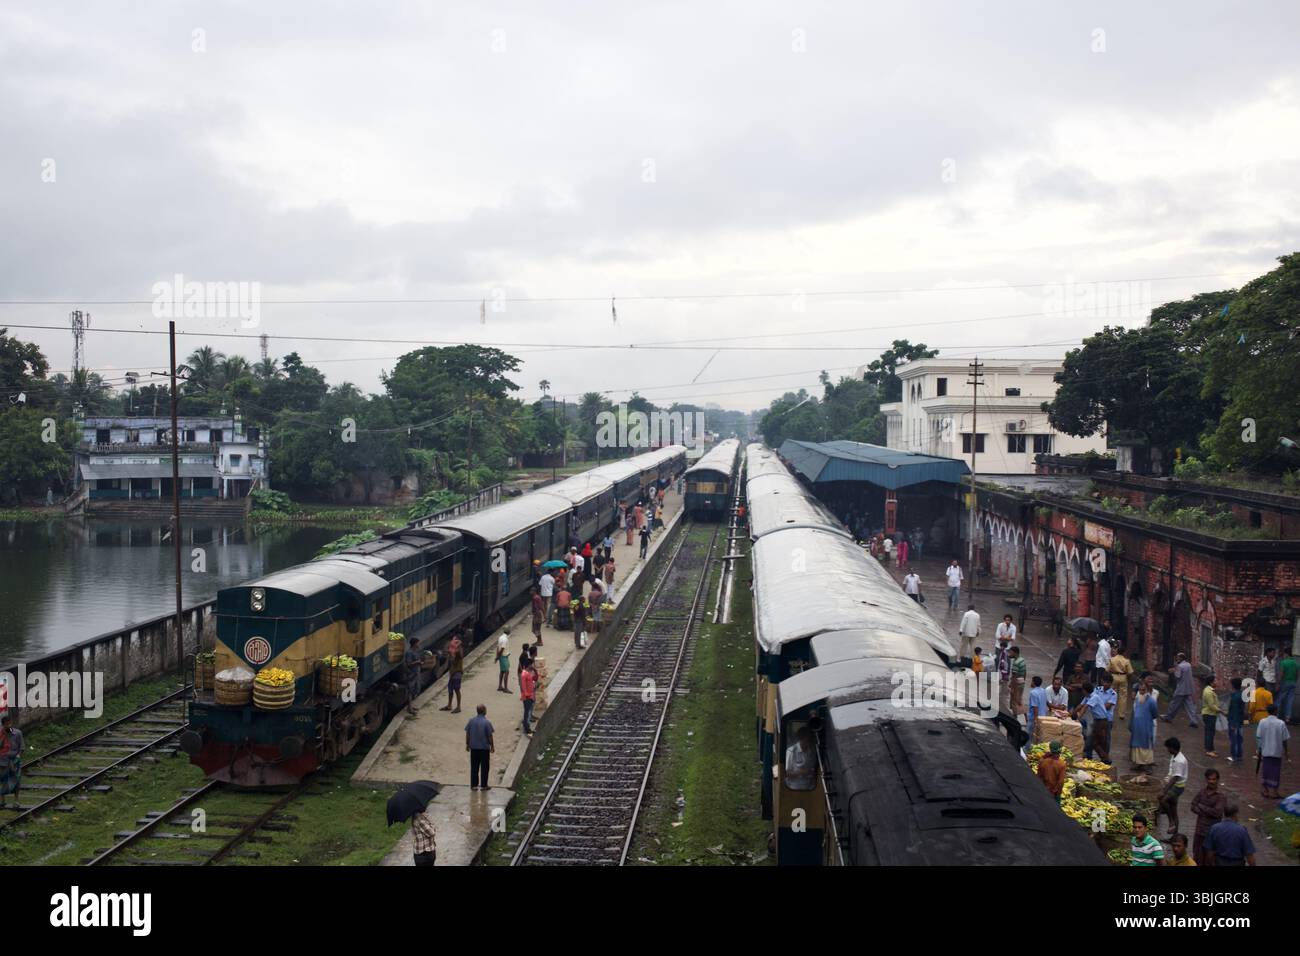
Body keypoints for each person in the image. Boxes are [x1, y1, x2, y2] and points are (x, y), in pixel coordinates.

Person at [1189, 768, 1225, 865]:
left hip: (1212, 833)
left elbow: (1217, 812)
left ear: (1217, 780)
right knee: (1197, 856)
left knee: (1210, 860)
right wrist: (1203, 811)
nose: (1211, 781)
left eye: (1213, 779)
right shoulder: (1202, 792)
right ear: (1206, 780)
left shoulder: (1220, 796)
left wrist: (1201, 806)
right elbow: (1193, 805)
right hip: (1200, 831)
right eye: (1209, 779)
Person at [1255, 704, 1290, 798]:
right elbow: (1285, 739)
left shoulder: (1262, 722)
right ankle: (1274, 791)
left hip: (1265, 751)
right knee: (1275, 772)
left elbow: (1258, 737)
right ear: (1276, 711)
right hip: (1277, 752)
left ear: (1267, 711)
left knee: (1265, 771)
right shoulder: (1281, 723)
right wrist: (1286, 752)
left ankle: (1265, 790)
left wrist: (1259, 749)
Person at [1080, 673, 1116, 763]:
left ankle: (1105, 758)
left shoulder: (1113, 694)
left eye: (1107, 682)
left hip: (1106, 720)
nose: (1104, 684)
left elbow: (1107, 706)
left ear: (1111, 683)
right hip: (1096, 719)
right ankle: (1091, 756)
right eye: (1103, 682)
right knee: (1092, 739)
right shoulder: (1097, 690)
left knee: (1103, 740)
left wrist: (1097, 704)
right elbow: (1084, 703)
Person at [1156, 737, 1188, 837]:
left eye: (1168, 748)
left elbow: (1175, 778)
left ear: (1172, 748)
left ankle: (1171, 821)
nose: (1167, 750)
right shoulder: (1175, 756)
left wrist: (1164, 790)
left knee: (1163, 799)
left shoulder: (1179, 761)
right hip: (1174, 784)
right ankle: (1175, 834)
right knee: (1173, 808)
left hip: (1178, 786)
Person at [1130, 673, 1160, 772]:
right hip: (1137, 726)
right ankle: (1138, 763)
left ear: (1146, 691)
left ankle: (1147, 765)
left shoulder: (1151, 701)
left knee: (1146, 745)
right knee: (1137, 745)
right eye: (1140, 690)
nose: (1141, 692)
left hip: (1146, 726)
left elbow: (1155, 714)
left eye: (1143, 690)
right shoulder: (1138, 699)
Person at [1163, 653, 1199, 728]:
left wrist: (1174, 670)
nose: (1177, 659)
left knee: (1174, 704)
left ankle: (1168, 717)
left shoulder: (1180, 666)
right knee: (1190, 706)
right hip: (1188, 688)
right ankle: (1194, 720)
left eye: (1178, 658)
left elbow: (1178, 676)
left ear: (1180, 658)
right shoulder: (1188, 665)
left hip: (1181, 689)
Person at [465, 704, 495, 791]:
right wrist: (492, 746)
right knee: (485, 767)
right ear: (484, 711)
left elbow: (468, 734)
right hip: (484, 749)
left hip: (474, 748)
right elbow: (490, 736)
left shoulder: (471, 721)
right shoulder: (487, 722)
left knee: (474, 767)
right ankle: (483, 785)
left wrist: (467, 744)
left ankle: (474, 785)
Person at [0, 716, 23, 809]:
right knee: (2, 780)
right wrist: (4, 735)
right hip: (2, 761)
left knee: (16, 780)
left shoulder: (17, 733)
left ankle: (16, 801)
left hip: (14, 760)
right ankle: (2, 801)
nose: (8, 726)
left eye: (9, 724)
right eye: (6, 724)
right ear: (3, 725)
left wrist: (18, 756)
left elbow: (22, 747)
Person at [784, 726, 817, 790]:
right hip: (795, 787)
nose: (809, 742)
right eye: (807, 740)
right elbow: (786, 773)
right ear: (801, 738)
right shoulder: (791, 751)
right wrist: (802, 772)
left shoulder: (810, 751)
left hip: (810, 787)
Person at [1107, 645, 1134, 721]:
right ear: (1124, 652)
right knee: (1123, 696)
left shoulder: (1112, 659)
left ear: (1117, 651)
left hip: (1113, 677)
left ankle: (1109, 709)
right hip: (1123, 677)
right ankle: (1121, 714)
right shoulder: (1126, 661)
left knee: (1111, 694)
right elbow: (1130, 672)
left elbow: (1107, 669)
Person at [440, 632, 464, 714]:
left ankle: (458, 707)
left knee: (457, 689)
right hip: (452, 673)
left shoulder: (459, 650)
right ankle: (449, 705)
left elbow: (459, 655)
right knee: (450, 690)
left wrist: (455, 649)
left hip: (457, 672)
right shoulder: (452, 650)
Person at [1037, 739, 1067, 804]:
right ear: (1060, 750)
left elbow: (1039, 776)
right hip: (1054, 793)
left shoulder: (1043, 762)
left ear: (1050, 750)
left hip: (1043, 791)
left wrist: (1044, 756)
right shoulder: (1062, 764)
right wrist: (1056, 793)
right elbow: (1060, 782)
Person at [1226, 676, 1247, 763]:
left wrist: (1233, 723)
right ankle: (1239, 755)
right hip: (1240, 721)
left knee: (1234, 740)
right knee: (1239, 739)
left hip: (1234, 722)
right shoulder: (1241, 695)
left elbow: (1234, 711)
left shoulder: (1235, 697)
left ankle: (1234, 756)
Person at [403, 636, 425, 716]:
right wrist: (417, 662)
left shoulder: (416, 651)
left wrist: (420, 662)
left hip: (416, 673)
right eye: (418, 643)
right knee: (410, 690)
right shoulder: (409, 653)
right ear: (415, 644)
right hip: (411, 674)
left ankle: (411, 706)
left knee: (416, 689)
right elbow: (408, 664)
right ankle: (410, 708)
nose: (419, 644)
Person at [1200, 674, 1220, 756]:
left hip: (1210, 714)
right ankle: (1209, 750)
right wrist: (1220, 710)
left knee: (1210, 732)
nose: (1217, 682)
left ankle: (1210, 748)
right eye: (1215, 681)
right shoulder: (1208, 692)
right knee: (1209, 732)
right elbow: (1211, 705)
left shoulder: (1209, 690)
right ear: (1211, 682)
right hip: (1209, 714)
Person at [1278, 649, 1298, 724]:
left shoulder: (1283, 662)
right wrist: (1294, 682)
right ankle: (1287, 718)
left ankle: (1275, 715)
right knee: (1289, 701)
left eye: (1284, 654)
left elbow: (1281, 674)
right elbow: (1297, 674)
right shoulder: (1296, 663)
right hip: (1293, 683)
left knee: (1279, 699)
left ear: (1286, 654)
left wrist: (1278, 683)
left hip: (1285, 682)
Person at [1026, 676, 1049, 741]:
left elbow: (1035, 707)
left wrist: (1035, 719)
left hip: (1034, 718)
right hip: (1043, 716)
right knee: (1038, 735)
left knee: (1028, 735)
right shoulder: (1043, 690)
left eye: (1032, 681)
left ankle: (1026, 749)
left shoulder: (1033, 693)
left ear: (1033, 682)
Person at [519, 659, 538, 736]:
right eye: (531, 664)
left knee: (528, 712)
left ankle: (528, 727)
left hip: (530, 695)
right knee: (527, 713)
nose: (532, 666)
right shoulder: (524, 674)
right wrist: (527, 694)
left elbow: (534, 679)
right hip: (528, 696)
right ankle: (527, 729)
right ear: (529, 665)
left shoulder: (527, 673)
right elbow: (523, 686)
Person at [1008, 645, 1027, 712]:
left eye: (1010, 652)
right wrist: (1023, 681)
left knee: (1014, 702)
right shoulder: (1022, 660)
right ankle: (1025, 716)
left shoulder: (1016, 663)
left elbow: (1014, 676)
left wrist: (1012, 687)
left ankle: (1014, 716)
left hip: (1016, 685)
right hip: (1021, 683)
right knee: (1019, 700)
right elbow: (1025, 672)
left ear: (1015, 653)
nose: (1009, 654)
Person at [495, 628, 512, 693]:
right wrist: (498, 657)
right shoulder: (505, 639)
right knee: (507, 671)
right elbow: (502, 648)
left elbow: (497, 647)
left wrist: (497, 656)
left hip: (501, 656)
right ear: (508, 632)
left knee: (502, 671)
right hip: (504, 656)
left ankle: (500, 686)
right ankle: (505, 688)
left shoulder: (500, 637)